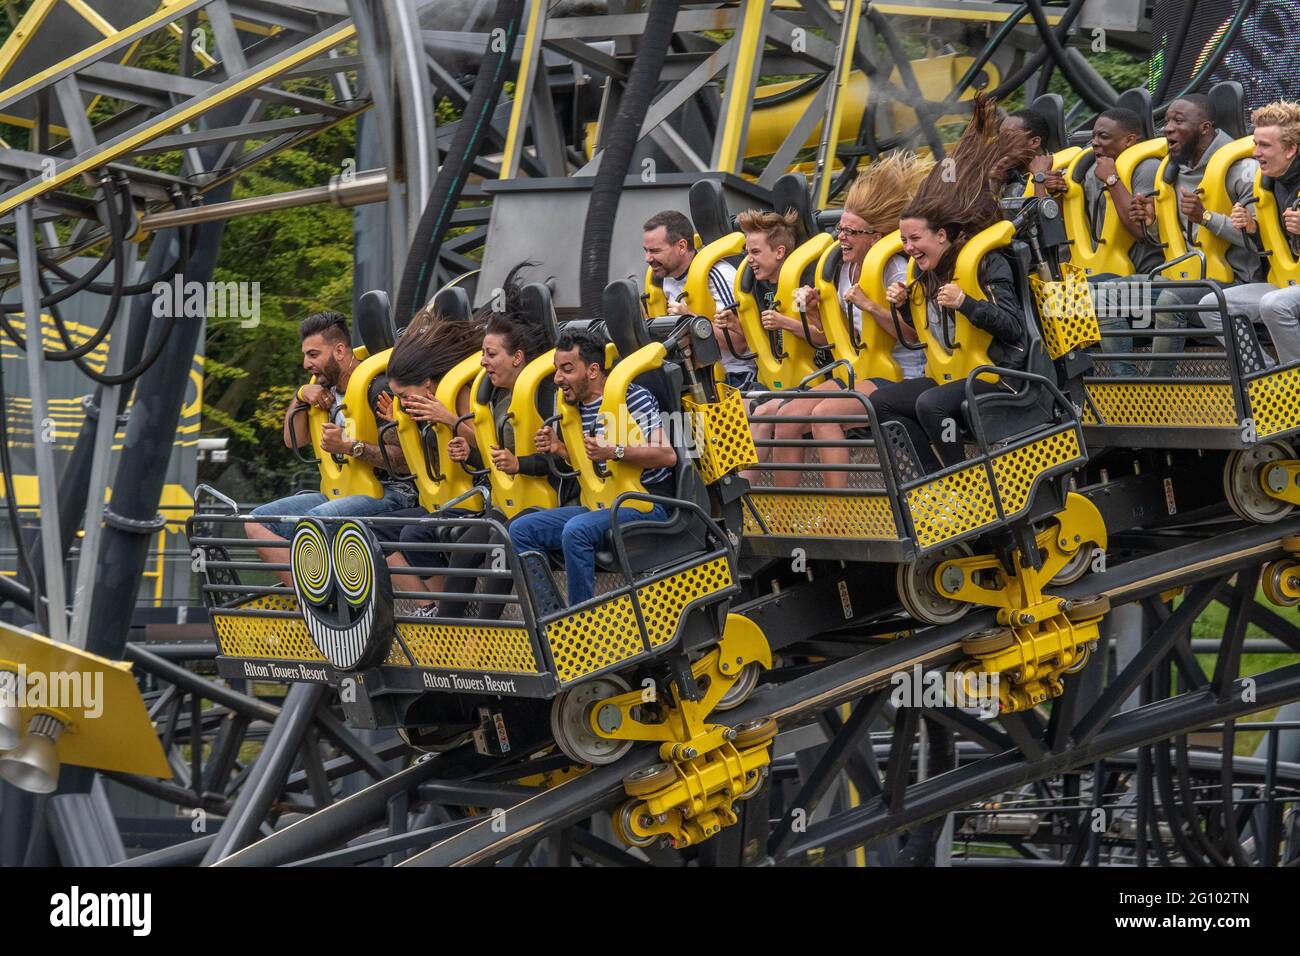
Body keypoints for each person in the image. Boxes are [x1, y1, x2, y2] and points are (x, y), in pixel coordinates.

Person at [869, 93, 1037, 473]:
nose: (908, 248)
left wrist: (967, 303)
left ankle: (959, 479)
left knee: (932, 404)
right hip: (953, 373)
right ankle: (933, 481)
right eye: (904, 241)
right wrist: (899, 307)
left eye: (915, 240)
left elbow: (1012, 328)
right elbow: (917, 337)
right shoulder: (924, 274)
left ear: (942, 235)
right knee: (882, 403)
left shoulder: (985, 263)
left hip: (1003, 376)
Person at [766, 151, 933, 489]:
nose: (841, 237)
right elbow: (835, 337)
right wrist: (814, 311)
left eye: (851, 232)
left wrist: (870, 305)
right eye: (840, 229)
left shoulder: (895, 269)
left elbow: (914, 336)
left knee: (824, 415)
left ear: (875, 237)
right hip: (858, 369)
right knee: (785, 417)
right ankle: (785, 511)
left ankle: (838, 510)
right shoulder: (844, 270)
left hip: (899, 374)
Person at [509, 330, 677, 606]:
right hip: (600, 502)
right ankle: (552, 616)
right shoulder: (574, 408)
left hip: (646, 501)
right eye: (556, 369)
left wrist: (615, 451)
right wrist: (559, 448)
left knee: (576, 531)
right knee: (520, 530)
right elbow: (590, 468)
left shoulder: (633, 398)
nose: (558, 378)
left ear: (593, 370)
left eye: (567, 369)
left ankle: (581, 624)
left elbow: (666, 455)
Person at [247, 311, 415, 584]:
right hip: (340, 491)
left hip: (390, 492)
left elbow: (405, 461)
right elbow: (294, 440)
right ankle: (311, 603)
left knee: (313, 524)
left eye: (313, 355)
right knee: (257, 523)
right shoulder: (320, 390)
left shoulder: (377, 388)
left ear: (339, 350)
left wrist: (351, 447)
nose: (306, 364)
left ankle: (334, 604)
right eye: (305, 355)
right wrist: (300, 395)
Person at [1133, 94, 1262, 373]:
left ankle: (1154, 396)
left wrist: (1205, 217)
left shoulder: (1243, 170)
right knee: (1105, 295)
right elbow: (1171, 242)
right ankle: (1113, 388)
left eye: (1178, 121)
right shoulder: (1173, 171)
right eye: (1165, 121)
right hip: (1184, 277)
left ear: (1205, 128)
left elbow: (1260, 243)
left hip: (1235, 281)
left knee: (1171, 300)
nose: (1167, 128)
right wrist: (1152, 221)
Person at [372, 311, 486, 604]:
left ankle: (452, 612)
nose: (402, 402)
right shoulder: (412, 412)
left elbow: (486, 445)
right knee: (372, 528)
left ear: (426, 384)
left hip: (474, 499)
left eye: (405, 395)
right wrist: (398, 426)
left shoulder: (459, 394)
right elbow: (419, 459)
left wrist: (448, 419)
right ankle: (432, 607)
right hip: (438, 499)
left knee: (414, 533)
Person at [1188, 100, 1300, 367]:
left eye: (1265, 146)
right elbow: (1272, 250)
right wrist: (1251, 230)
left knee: (1275, 305)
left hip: (1285, 294)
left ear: (1290, 149)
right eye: (1255, 143)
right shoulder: (1268, 183)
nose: (1256, 153)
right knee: (1211, 304)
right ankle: (1265, 376)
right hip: (1287, 283)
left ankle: (1293, 387)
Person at [735, 208, 826, 472]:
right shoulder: (757, 286)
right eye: (746, 252)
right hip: (779, 379)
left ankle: (759, 503)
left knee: (762, 414)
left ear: (779, 252)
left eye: (755, 252)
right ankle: (738, 501)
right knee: (735, 410)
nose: (749, 260)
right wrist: (734, 326)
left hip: (814, 377)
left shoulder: (801, 285)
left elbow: (824, 338)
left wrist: (785, 322)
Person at [1081, 107, 1164, 376]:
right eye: (1093, 136)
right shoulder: (1095, 170)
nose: (1095, 142)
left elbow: (1141, 232)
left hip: (1153, 276)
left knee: (1098, 297)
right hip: (1117, 273)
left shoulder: (1146, 167)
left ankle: (1125, 379)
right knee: (1060, 295)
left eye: (1103, 136)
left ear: (1130, 140)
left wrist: (1113, 180)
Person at [642, 210, 755, 387]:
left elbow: (740, 343)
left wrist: (691, 322)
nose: (647, 258)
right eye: (646, 251)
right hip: (693, 374)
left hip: (735, 375)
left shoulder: (718, 275)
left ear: (681, 246)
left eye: (655, 251)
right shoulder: (665, 279)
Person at [1000, 108, 1066, 201]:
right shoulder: (1004, 173)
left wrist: (1039, 179)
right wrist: (994, 182)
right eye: (1000, 137)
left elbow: (1047, 213)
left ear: (1034, 142)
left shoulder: (1059, 173)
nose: (1000, 143)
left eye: (1008, 137)